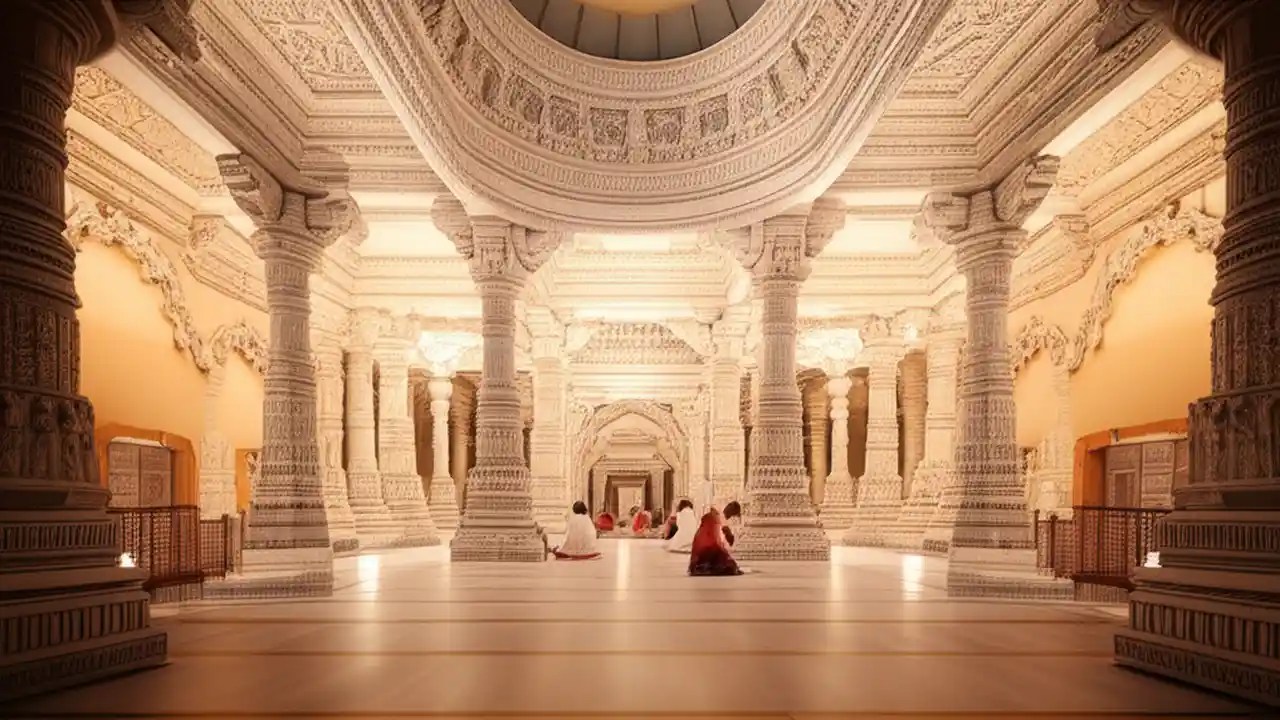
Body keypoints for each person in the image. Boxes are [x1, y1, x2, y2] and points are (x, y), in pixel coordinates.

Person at [688, 508, 743, 576]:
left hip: (700, 562)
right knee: (724, 558)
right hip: (714, 559)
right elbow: (719, 544)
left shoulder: (700, 533)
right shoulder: (716, 527)